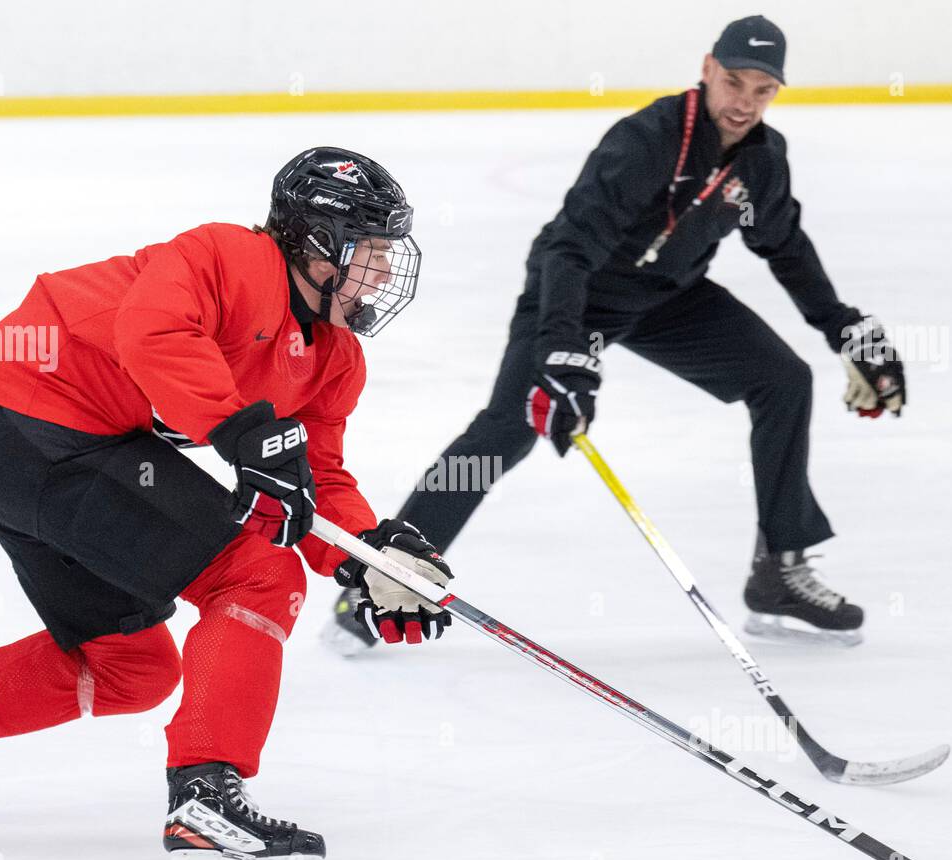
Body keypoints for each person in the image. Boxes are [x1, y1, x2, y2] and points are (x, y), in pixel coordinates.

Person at [0, 147, 454, 860]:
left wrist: (368, 554)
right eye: (368, 252)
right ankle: (207, 814)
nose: (381, 274)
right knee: (258, 572)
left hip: (35, 449)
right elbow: (153, 332)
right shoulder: (231, 257)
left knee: (132, 667)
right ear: (314, 245)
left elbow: (314, 483)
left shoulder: (335, 360)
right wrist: (240, 432)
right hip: (34, 423)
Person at [329, 14, 904, 655]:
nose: (744, 102)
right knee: (500, 434)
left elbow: (785, 246)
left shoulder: (763, 162)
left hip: (667, 298)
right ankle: (382, 579)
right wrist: (562, 346)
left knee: (783, 380)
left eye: (762, 90)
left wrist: (846, 329)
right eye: (735, 81)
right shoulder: (649, 140)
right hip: (575, 293)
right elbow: (570, 249)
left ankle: (779, 574)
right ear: (709, 68)